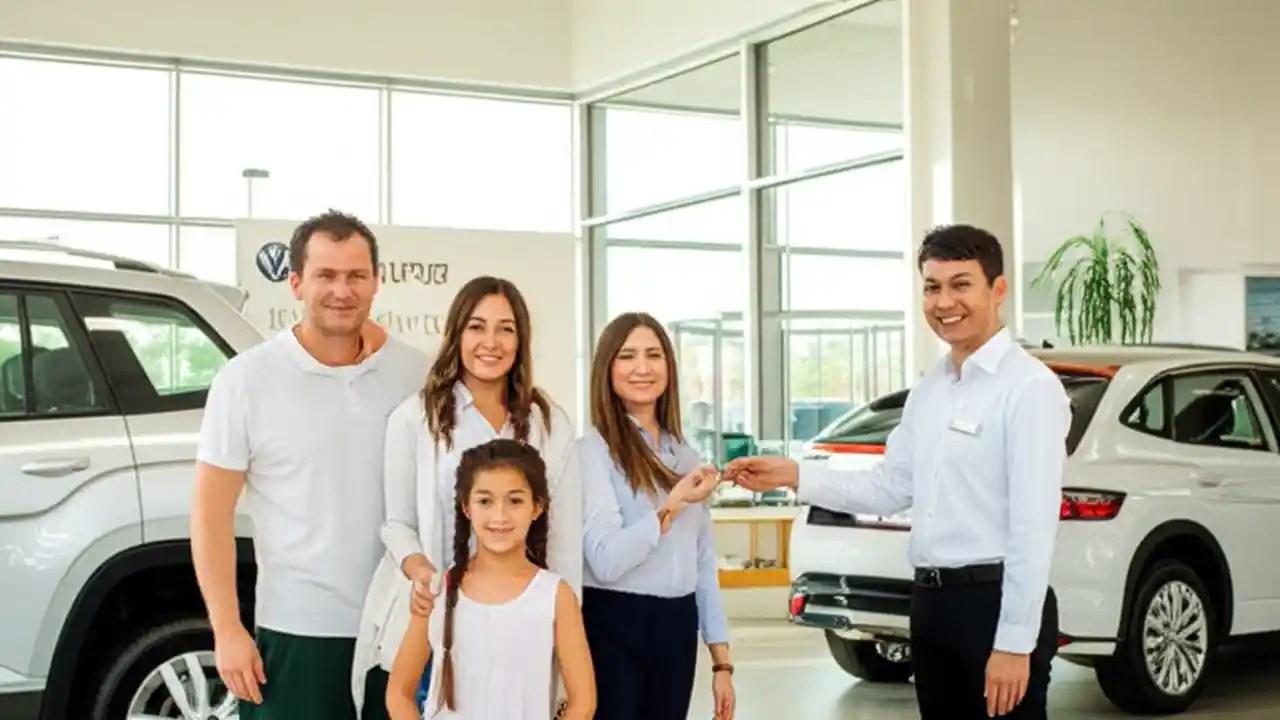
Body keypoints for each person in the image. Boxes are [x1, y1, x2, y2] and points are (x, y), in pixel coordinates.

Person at [726, 224, 1069, 720]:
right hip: (930, 604)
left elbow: (1034, 529)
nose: (944, 301)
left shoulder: (1029, 389)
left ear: (997, 290)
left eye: (960, 284)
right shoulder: (932, 387)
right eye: (932, 287)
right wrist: (794, 475)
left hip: (992, 605)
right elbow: (890, 487)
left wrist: (1015, 642)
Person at [192, 210, 431, 720]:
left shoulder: (418, 375)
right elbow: (209, 516)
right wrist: (228, 629)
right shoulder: (246, 380)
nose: (341, 290)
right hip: (297, 633)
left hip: (400, 629)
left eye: (355, 275)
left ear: (377, 282)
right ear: (296, 283)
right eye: (326, 275)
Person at [352, 275, 582, 716]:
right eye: (477, 327)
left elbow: (565, 544)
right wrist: (423, 574)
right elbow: (397, 524)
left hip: (522, 631)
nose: (490, 342)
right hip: (438, 622)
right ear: (456, 333)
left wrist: (562, 636)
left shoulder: (549, 423)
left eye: (506, 328)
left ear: (521, 339)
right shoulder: (415, 418)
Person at [576, 312, 736, 720]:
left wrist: (721, 662)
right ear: (606, 369)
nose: (643, 368)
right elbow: (606, 560)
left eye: (654, 355)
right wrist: (672, 506)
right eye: (627, 356)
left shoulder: (686, 455)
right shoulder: (592, 451)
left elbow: (702, 565)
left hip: (676, 626)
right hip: (613, 622)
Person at [386, 439, 595, 720]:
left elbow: (583, 703)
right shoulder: (438, 591)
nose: (500, 515)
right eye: (485, 501)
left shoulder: (556, 596)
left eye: (515, 500)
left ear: (536, 507)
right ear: (467, 507)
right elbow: (399, 692)